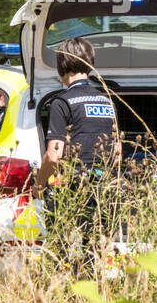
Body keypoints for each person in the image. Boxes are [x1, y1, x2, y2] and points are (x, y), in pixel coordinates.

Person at [34, 37, 119, 243]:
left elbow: (54, 156)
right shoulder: (106, 101)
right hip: (101, 188)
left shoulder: (61, 102)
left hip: (70, 189)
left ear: (60, 66)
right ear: (90, 63)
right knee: (96, 250)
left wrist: (39, 185)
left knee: (60, 249)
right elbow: (116, 155)